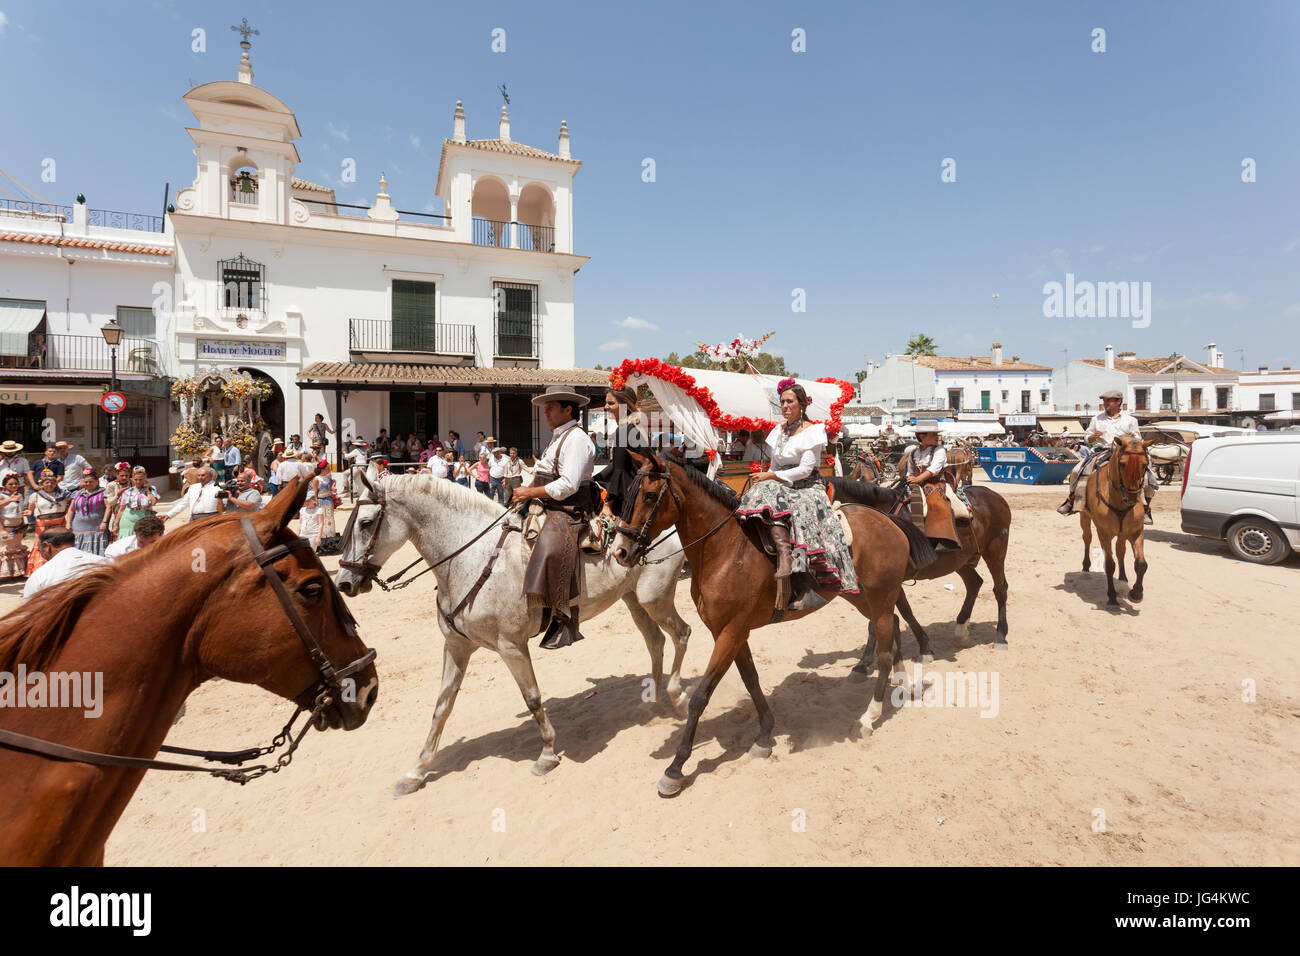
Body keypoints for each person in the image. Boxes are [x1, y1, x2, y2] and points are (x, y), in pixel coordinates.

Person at [735, 380, 859, 612]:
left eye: (789, 401)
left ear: (801, 405)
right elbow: (774, 463)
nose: (784, 406)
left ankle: (790, 560)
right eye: (782, 402)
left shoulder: (813, 431)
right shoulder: (777, 432)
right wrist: (770, 474)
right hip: (780, 484)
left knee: (772, 493)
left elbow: (805, 469)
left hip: (806, 486)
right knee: (756, 492)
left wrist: (772, 475)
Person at [515, 384, 597, 650]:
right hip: (549, 502)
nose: (546, 413)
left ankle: (564, 616)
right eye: (545, 409)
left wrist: (530, 492)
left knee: (550, 547)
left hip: (569, 509)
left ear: (567, 409)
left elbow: (568, 485)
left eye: (550, 408)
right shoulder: (559, 436)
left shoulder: (576, 439)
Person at [1057, 389, 1155, 524]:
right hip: (1101, 451)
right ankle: (1072, 500)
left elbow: (1137, 439)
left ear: (1118, 402)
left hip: (1124, 453)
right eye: (1104, 401)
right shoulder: (1096, 419)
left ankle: (1146, 507)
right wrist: (1092, 437)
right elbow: (1087, 438)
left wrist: (1126, 441)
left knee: (1148, 477)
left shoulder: (1130, 420)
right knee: (1076, 471)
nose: (1105, 403)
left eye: (1109, 400)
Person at [902, 421, 963, 551]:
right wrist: (909, 478)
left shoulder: (939, 450)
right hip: (915, 483)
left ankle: (944, 539)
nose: (937, 437)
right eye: (933, 434)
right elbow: (910, 471)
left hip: (936, 483)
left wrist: (917, 479)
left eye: (937, 434)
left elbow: (934, 469)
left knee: (937, 503)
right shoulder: (913, 453)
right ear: (922, 436)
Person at [593, 386, 651, 521]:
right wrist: (596, 478)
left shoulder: (624, 430)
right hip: (642, 492)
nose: (606, 407)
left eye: (611, 403)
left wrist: (607, 504)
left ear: (625, 405)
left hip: (630, 497)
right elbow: (618, 463)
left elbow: (620, 470)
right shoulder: (637, 426)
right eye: (606, 402)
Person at [22, 529, 108, 601]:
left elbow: (28, 611)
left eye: (39, 550)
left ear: (47, 546)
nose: (40, 554)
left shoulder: (41, 575)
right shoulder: (104, 563)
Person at [23, 470, 68, 576]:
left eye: (52, 482)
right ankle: (43, 572)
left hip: (60, 523)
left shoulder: (64, 494)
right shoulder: (35, 496)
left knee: (59, 545)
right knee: (44, 546)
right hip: (43, 525)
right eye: (47, 482)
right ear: (41, 484)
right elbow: (31, 510)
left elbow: (71, 505)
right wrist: (28, 512)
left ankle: (60, 570)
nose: (50, 484)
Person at [65, 467, 110, 556]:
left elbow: (108, 507)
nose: (88, 484)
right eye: (86, 482)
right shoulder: (77, 494)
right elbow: (71, 509)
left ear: (97, 482)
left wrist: (104, 522)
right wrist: (68, 523)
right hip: (78, 529)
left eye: (91, 482)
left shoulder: (103, 493)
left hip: (96, 529)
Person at [110, 466, 159, 539]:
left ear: (145, 478)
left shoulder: (151, 489)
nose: (138, 482)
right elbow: (121, 509)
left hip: (144, 519)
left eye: (140, 479)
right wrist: (116, 524)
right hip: (127, 520)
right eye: (136, 479)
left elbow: (153, 502)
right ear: (132, 478)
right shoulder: (128, 491)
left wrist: (147, 491)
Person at [0, 474, 30, 579]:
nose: (14, 486)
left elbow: (19, 511)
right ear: (4, 485)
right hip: (6, 526)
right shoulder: (2, 496)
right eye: (10, 484)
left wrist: (24, 518)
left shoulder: (19, 496)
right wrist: (1, 530)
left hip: (18, 526)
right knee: (6, 549)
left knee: (16, 548)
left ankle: (17, 572)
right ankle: (5, 574)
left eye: (16, 483)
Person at [309, 459, 336, 539]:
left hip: (329, 500)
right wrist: (315, 502)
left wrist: (333, 487)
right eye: (328, 468)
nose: (329, 469)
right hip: (321, 501)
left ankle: (330, 535)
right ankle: (323, 537)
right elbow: (315, 492)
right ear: (323, 469)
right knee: (322, 519)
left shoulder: (328, 477)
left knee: (330, 518)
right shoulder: (317, 479)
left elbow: (332, 483)